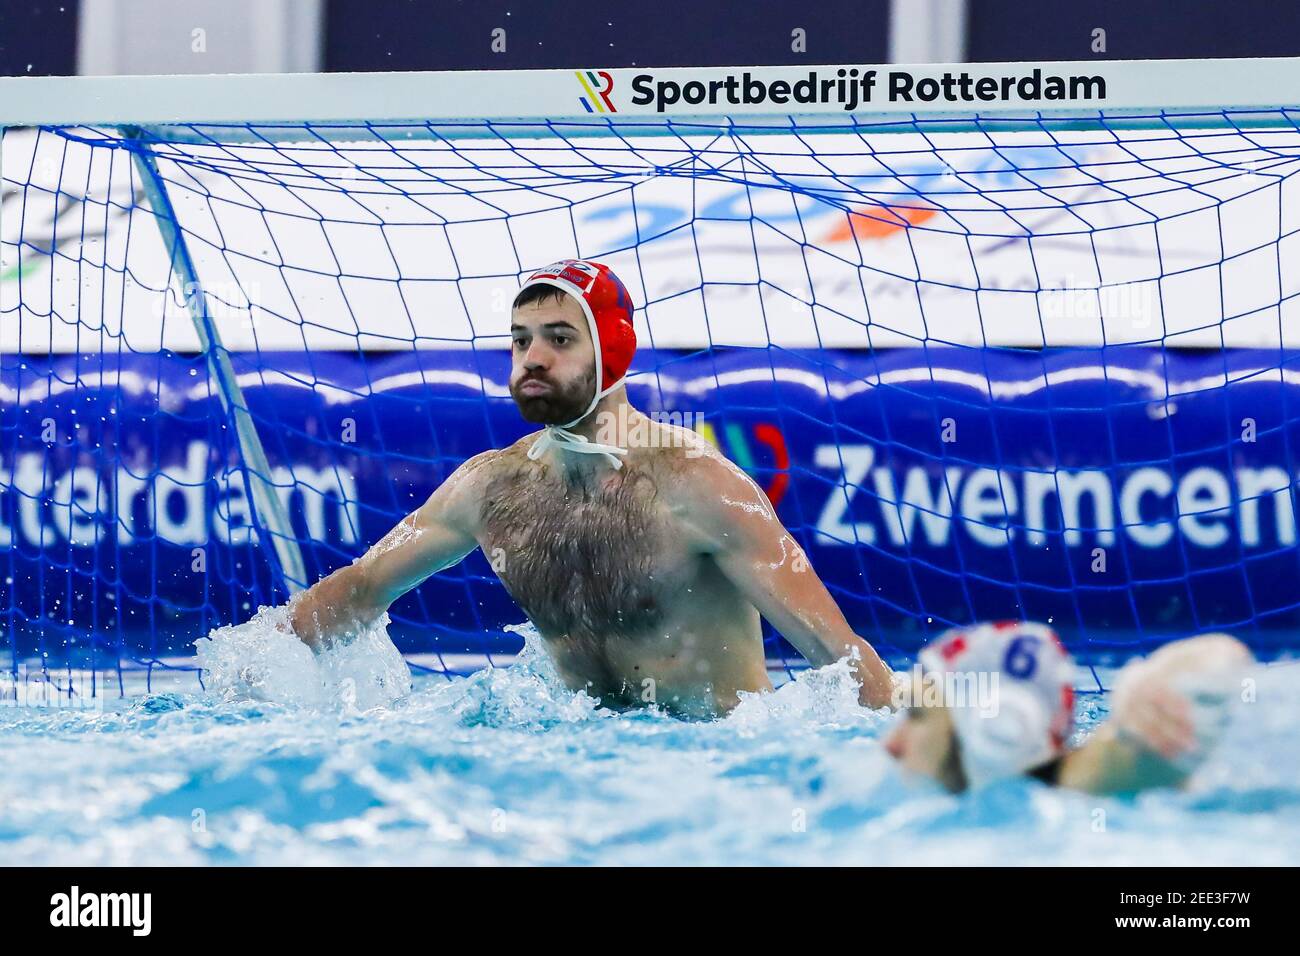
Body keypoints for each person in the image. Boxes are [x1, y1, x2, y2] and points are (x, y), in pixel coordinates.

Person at [285, 258, 895, 717]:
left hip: (713, 764)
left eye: (560, 338)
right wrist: (260, 656)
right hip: (578, 762)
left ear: (615, 350)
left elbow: (838, 658)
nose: (533, 358)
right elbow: (359, 592)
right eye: (521, 340)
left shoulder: (698, 487)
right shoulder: (491, 486)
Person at [884, 620, 1255, 795]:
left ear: (998, 728)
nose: (891, 745)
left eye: (917, 715)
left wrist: (1149, 684)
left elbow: (1227, 661)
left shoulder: (1104, 783)